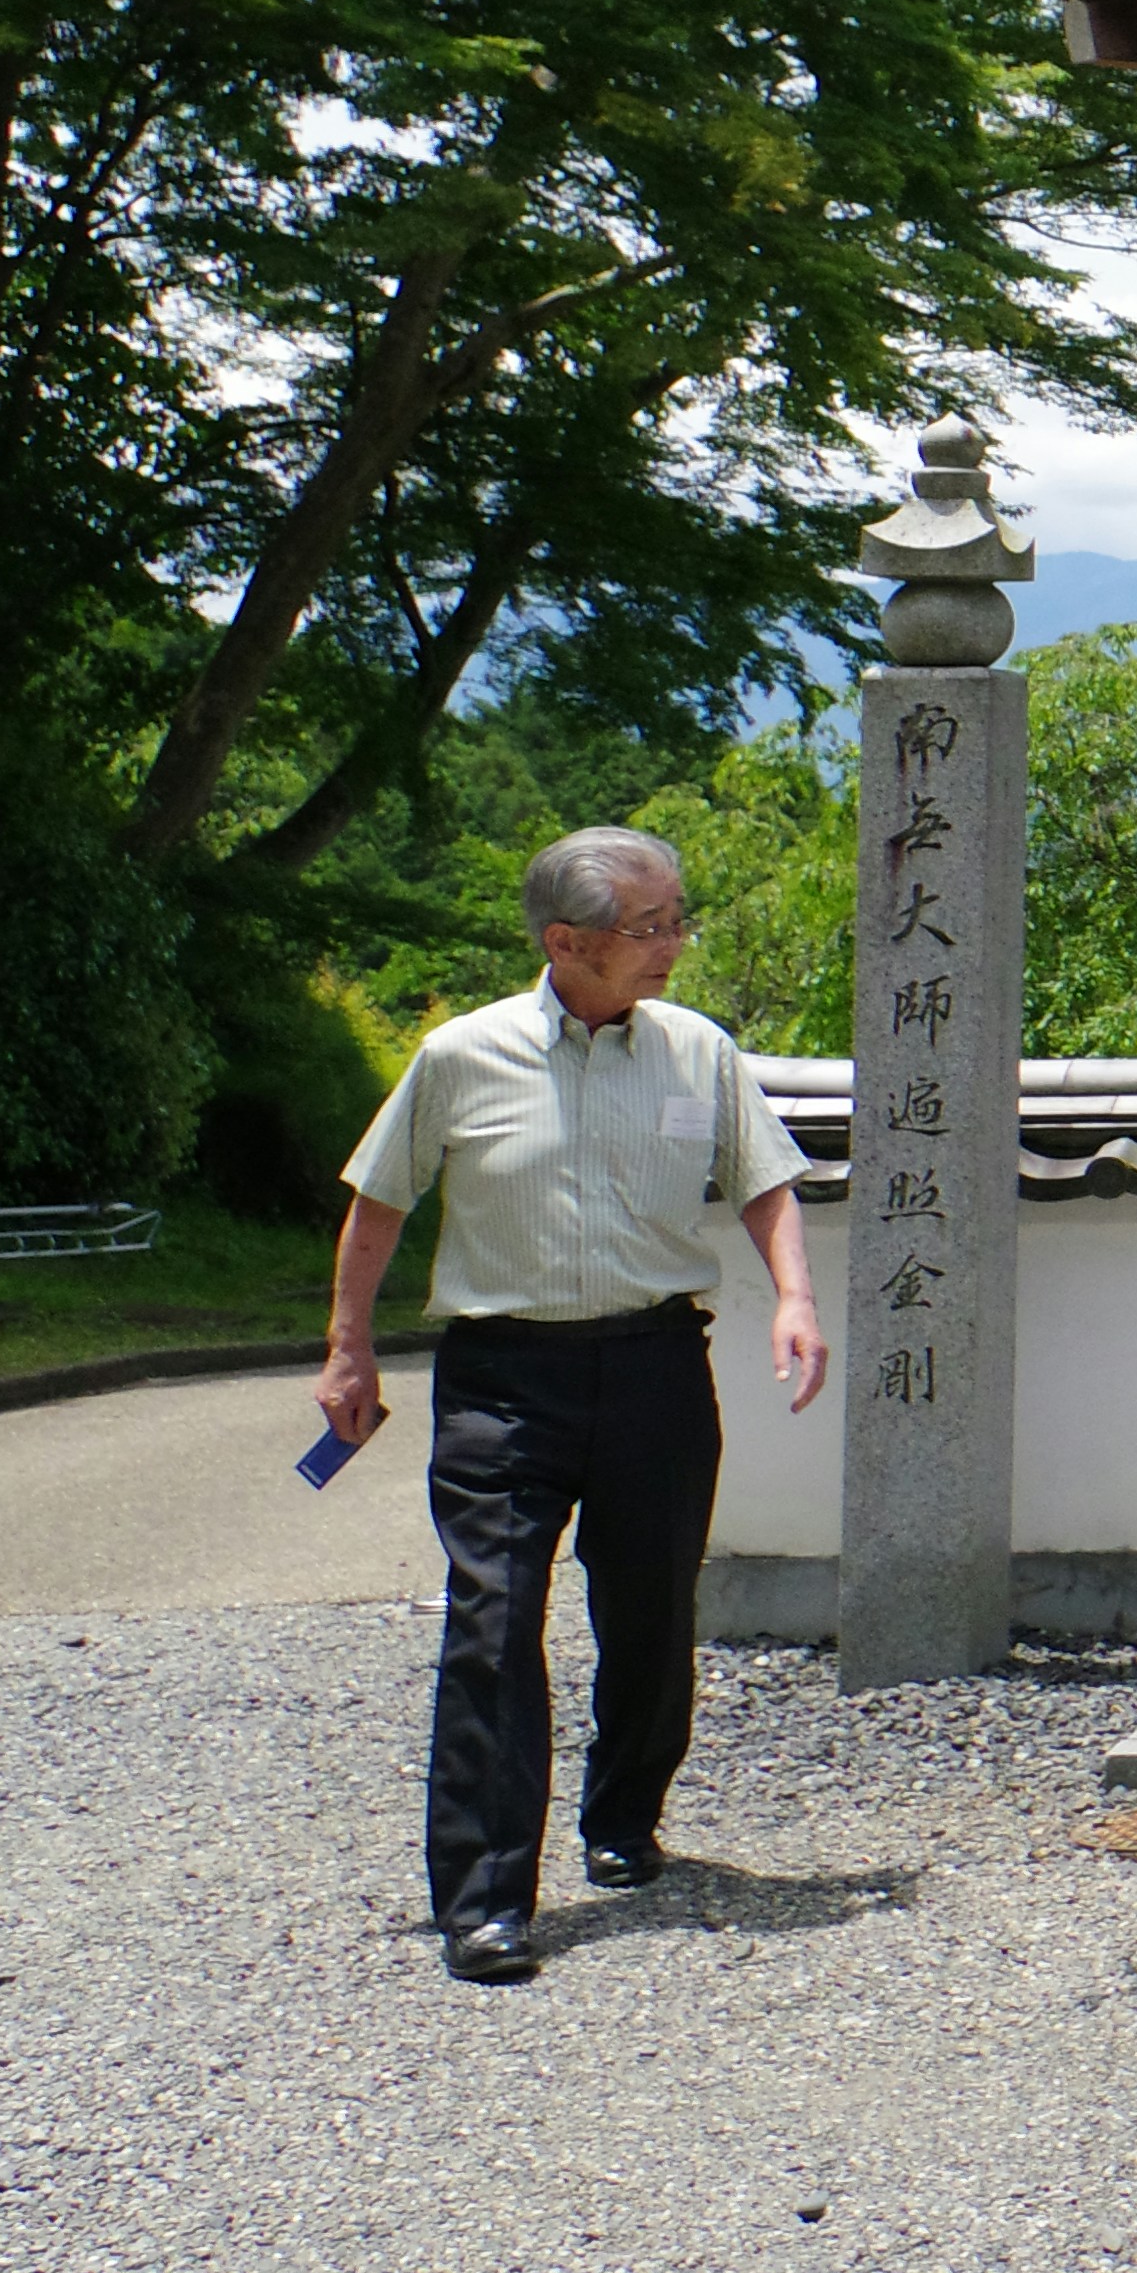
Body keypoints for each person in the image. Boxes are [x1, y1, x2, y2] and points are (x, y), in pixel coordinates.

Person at [315, 825, 828, 1982]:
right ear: (566, 942)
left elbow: (766, 1182)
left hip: (656, 1366)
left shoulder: (698, 1052)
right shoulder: (461, 1054)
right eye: (651, 927)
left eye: (678, 918)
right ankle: (485, 1898)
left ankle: (624, 1816)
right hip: (503, 1379)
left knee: (649, 1613)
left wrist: (795, 1297)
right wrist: (350, 1349)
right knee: (492, 1622)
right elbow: (380, 1201)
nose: (675, 943)